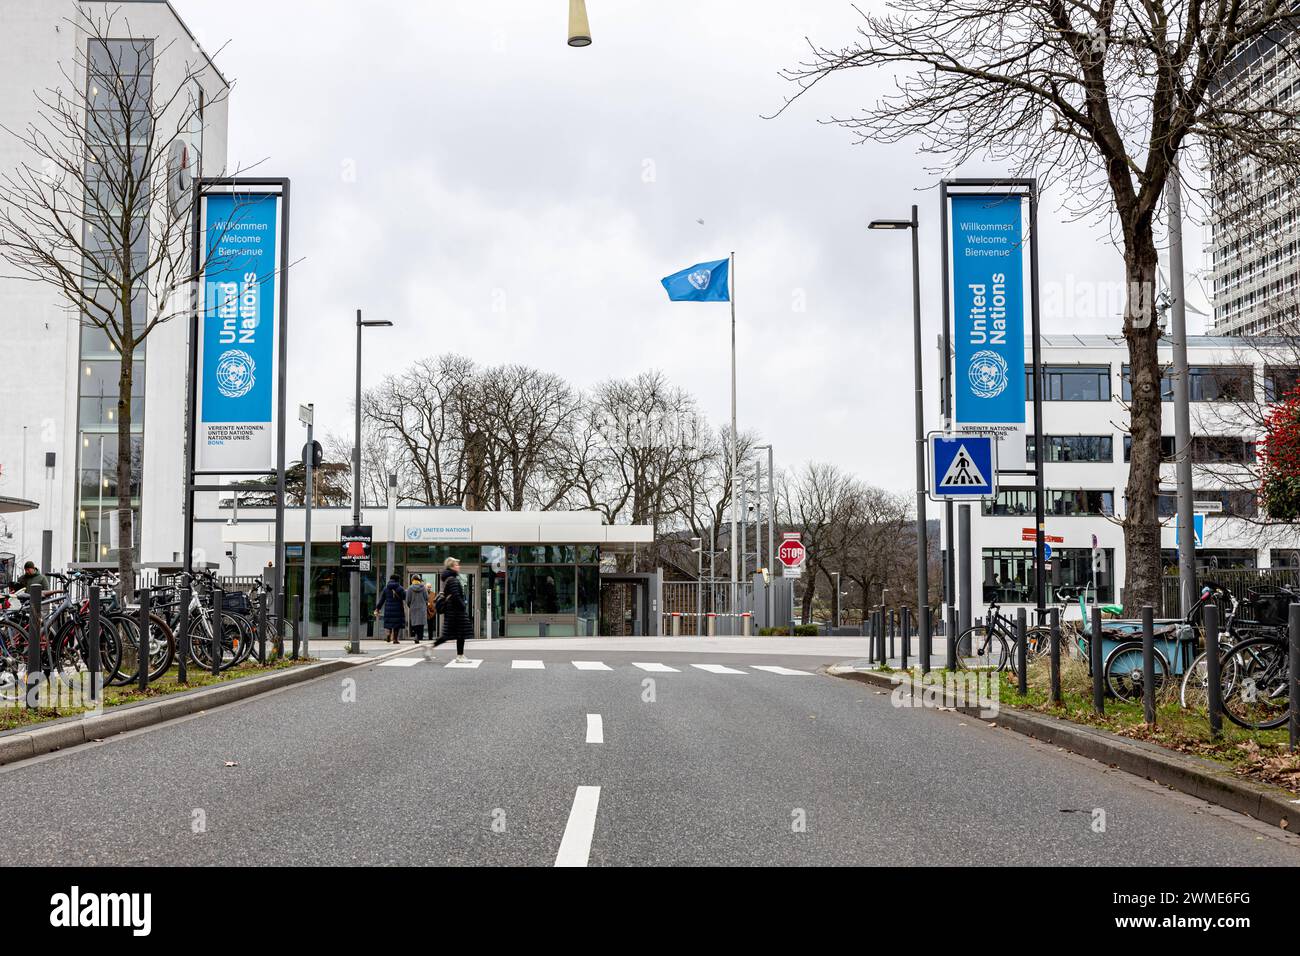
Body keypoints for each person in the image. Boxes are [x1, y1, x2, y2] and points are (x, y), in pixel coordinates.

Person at [433, 557, 472, 662]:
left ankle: (430, 648)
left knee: (449, 635)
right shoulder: (452, 580)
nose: (458, 566)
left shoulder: (448, 579)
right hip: (455, 612)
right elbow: (456, 595)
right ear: (451, 567)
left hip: (452, 612)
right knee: (460, 634)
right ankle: (460, 656)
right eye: (456, 565)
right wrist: (463, 605)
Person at [374, 574, 407, 644]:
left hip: (388, 609)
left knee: (389, 623)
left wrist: (378, 608)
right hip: (398, 609)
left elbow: (382, 599)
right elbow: (404, 597)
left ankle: (388, 634)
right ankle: (395, 639)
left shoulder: (386, 588)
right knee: (396, 625)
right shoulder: (400, 588)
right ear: (397, 580)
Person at [405, 573, 430, 644]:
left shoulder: (410, 588)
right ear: (419, 580)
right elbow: (427, 598)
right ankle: (419, 636)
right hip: (422, 608)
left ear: (412, 580)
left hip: (413, 608)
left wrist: (410, 605)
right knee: (421, 623)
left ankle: (416, 635)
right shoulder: (424, 588)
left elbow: (408, 600)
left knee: (415, 622)